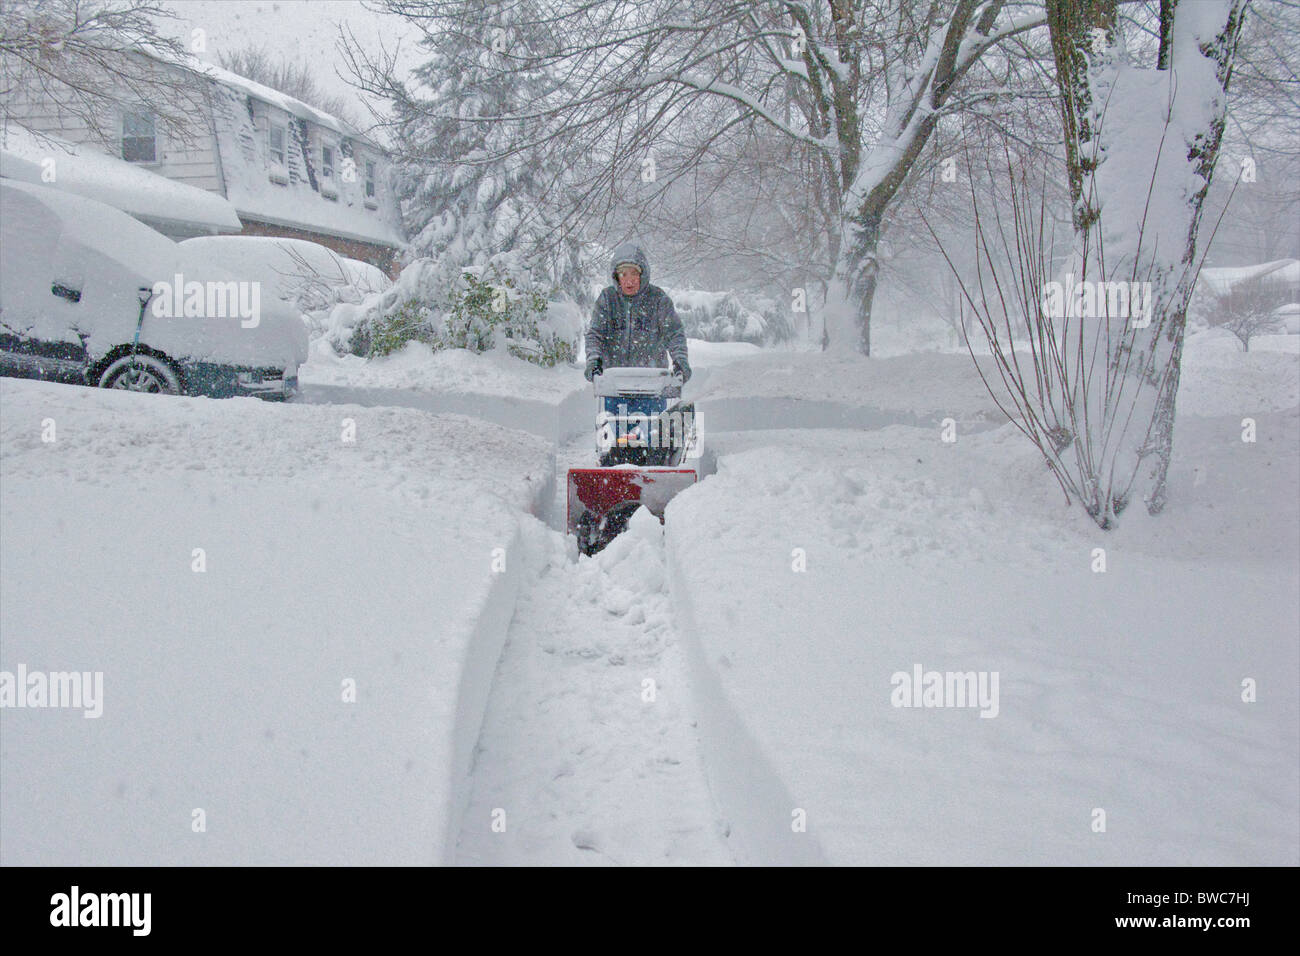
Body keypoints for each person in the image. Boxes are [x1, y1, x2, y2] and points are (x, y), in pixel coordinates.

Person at [584, 242, 690, 384]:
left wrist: (680, 360)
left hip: (652, 382)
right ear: (616, 277)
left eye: (634, 273)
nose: (629, 280)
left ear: (643, 274)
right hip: (614, 382)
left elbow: (674, 333)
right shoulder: (608, 299)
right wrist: (594, 360)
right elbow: (595, 334)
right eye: (623, 274)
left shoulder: (658, 299)